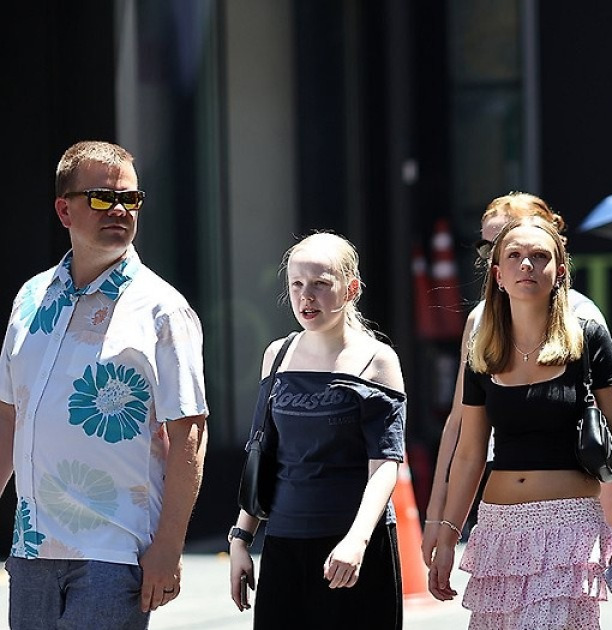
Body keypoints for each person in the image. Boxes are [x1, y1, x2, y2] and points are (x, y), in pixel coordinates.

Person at [0, 141, 208, 628]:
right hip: (31, 547)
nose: (118, 209)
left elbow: (190, 434)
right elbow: (10, 414)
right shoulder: (31, 297)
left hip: (116, 550)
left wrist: (169, 548)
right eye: (100, 197)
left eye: (129, 199)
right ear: (63, 209)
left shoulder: (162, 309)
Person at [428, 216, 612, 629]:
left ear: (559, 270)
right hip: (497, 530)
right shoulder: (485, 348)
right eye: (514, 256)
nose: (526, 265)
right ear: (497, 275)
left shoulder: (587, 338)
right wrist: (446, 533)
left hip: (568, 528)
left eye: (539, 256)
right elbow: (470, 453)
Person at [421, 192, 612, 566]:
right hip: (497, 491)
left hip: (567, 502)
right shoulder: (480, 321)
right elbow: (459, 424)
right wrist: (437, 516)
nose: (514, 260)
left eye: (515, 243)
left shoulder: (582, 317)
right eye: (491, 248)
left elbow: (603, 428)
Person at [226, 232, 406, 628]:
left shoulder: (377, 360)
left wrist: (357, 541)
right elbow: (264, 453)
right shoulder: (277, 355)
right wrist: (241, 539)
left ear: (351, 289)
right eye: (297, 284)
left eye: (321, 284)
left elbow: (386, 463)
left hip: (351, 546)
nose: (307, 296)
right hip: (285, 543)